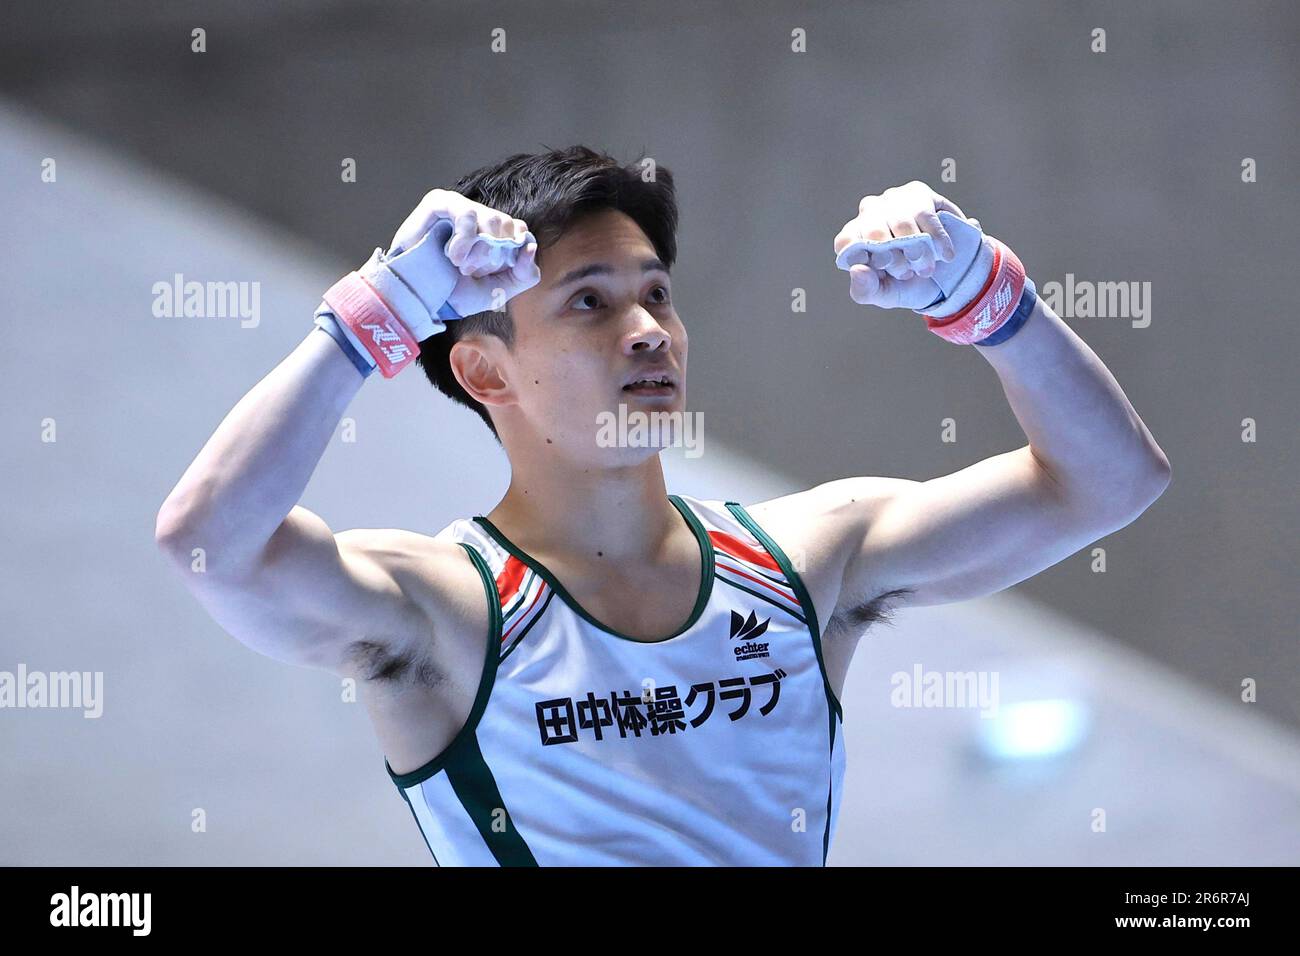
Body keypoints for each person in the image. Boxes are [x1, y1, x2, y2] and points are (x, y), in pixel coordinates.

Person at [155, 146, 1170, 866]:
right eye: (589, 301)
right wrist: (366, 319)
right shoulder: (439, 608)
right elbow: (209, 541)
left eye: (658, 293)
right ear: (482, 369)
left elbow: (1113, 482)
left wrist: (991, 300)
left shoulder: (812, 556)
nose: (648, 330)